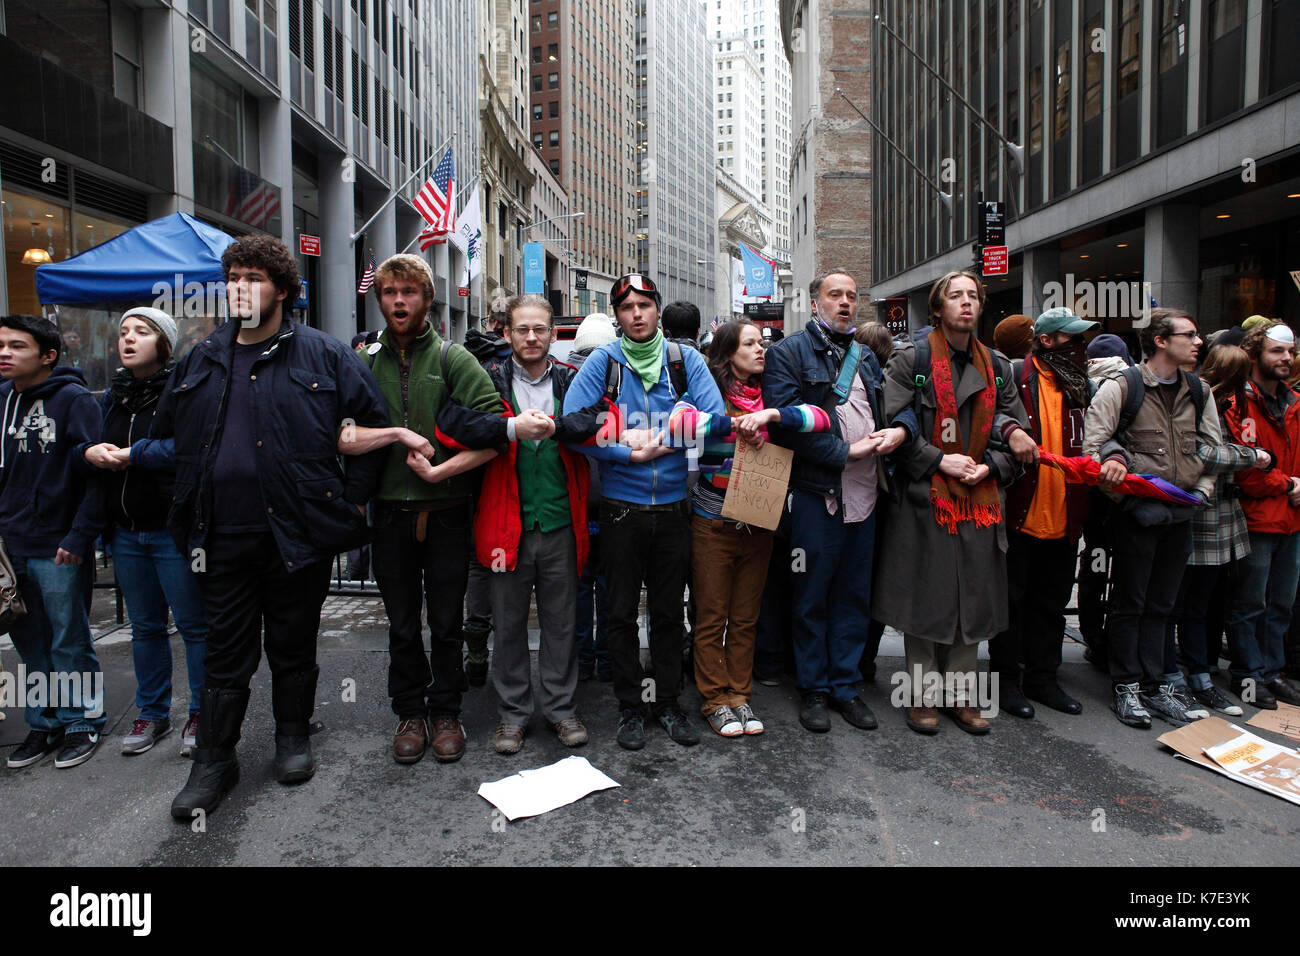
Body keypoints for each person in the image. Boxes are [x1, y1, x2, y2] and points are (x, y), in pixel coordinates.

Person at [157, 235, 390, 819]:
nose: (241, 287)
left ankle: (293, 737)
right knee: (224, 654)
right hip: (220, 538)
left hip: (298, 533)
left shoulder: (325, 355)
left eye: (254, 277)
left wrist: (349, 501)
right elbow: (167, 439)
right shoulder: (201, 358)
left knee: (292, 645)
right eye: (233, 276)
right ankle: (214, 759)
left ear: (283, 289)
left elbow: (372, 429)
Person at [344, 254, 501, 764]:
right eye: (389, 292)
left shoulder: (455, 359)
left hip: (449, 512)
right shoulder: (364, 362)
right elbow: (341, 435)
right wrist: (393, 433)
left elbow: (496, 432)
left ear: (426, 299)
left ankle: (446, 712)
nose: (398, 301)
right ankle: (409, 712)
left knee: (447, 621)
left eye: (408, 292)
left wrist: (441, 472)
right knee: (402, 622)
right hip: (389, 513)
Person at [435, 294, 607, 754]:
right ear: (506, 333)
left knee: (561, 622)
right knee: (508, 625)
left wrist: (560, 426)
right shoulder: (487, 377)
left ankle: (561, 709)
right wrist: (509, 427)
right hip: (503, 523)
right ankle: (512, 715)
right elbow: (450, 425)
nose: (532, 337)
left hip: (560, 523)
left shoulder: (574, 379)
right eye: (522, 330)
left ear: (554, 334)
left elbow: (603, 418)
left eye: (540, 329)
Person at [562, 273, 726, 750]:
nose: (636, 314)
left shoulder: (685, 359)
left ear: (658, 310)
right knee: (618, 613)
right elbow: (573, 424)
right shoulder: (603, 362)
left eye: (644, 305)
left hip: (675, 507)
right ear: (617, 316)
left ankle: (669, 704)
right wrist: (623, 450)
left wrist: (664, 436)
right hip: (620, 511)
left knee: (669, 614)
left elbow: (714, 423)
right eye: (627, 307)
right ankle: (631, 707)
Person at [874, 271, 1032, 736]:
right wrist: (939, 462)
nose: (966, 303)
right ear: (938, 308)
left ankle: (962, 696)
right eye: (955, 296)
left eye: (973, 296)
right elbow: (894, 425)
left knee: (973, 600)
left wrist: (995, 467)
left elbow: (1011, 423)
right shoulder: (912, 359)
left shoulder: (998, 365)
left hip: (980, 498)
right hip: (926, 496)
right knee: (927, 597)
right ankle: (921, 697)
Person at [763, 271, 910, 733]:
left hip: (866, 495)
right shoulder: (787, 353)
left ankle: (846, 686)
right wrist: (846, 452)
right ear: (814, 303)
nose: (845, 302)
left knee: (853, 596)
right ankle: (814, 690)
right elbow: (786, 427)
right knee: (811, 596)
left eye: (851, 296)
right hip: (814, 495)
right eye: (835, 295)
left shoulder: (866, 356)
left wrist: (898, 431)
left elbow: (895, 407)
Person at [676, 319, 833, 736]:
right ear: (728, 353)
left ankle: (740, 696)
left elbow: (820, 418)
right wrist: (735, 426)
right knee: (712, 616)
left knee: (747, 617)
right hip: (713, 521)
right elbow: (679, 425)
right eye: (750, 344)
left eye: (762, 342)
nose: (761, 349)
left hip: (760, 521)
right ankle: (714, 699)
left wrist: (769, 415)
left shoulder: (774, 393)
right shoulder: (708, 391)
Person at [1083, 307, 1222, 729]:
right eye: (1190, 335)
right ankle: (1126, 686)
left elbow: (1212, 449)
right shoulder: (1122, 387)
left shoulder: (1199, 390)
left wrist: (1200, 492)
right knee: (1130, 603)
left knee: (1164, 606)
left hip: (1180, 515)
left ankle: (1158, 686)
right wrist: (1124, 495)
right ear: (1160, 340)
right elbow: (1093, 447)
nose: (1199, 342)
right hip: (1137, 516)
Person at [80, 307, 208, 756]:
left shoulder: (182, 390)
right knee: (146, 628)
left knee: (194, 626)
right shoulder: (111, 396)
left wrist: (138, 454)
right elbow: (91, 444)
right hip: (126, 532)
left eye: (142, 332)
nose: (128, 339)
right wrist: (90, 450)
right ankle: (152, 713)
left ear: (164, 343)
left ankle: (201, 713)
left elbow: (192, 448)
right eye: (123, 332)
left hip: (172, 532)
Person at [0, 314, 106, 770]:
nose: (5, 353)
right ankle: (44, 722)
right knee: (27, 639)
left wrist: (80, 534)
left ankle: (81, 719)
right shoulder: (2, 398)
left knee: (68, 637)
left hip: (58, 542)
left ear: (48, 356)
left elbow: (94, 476)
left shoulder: (74, 400)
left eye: (17, 346)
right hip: (10, 544)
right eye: (2, 344)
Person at [992, 307, 1098, 719]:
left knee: (1051, 604)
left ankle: (1043, 678)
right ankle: (1006, 682)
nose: (1080, 348)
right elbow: (993, 422)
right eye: (1073, 340)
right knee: (1011, 603)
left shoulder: (1080, 386)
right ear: (1049, 341)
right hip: (1020, 512)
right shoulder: (1017, 378)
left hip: (1065, 514)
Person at [1171, 344, 1268, 716]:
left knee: (1202, 601)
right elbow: (1203, 452)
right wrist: (1251, 458)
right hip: (1201, 513)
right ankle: (1185, 677)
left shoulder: (1226, 402)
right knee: (1183, 602)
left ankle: (1200, 673)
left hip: (1222, 514)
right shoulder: (1199, 397)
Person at [1222, 321, 1300, 709]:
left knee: (1281, 603)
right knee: (1250, 602)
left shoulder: (1296, 401)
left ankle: (1272, 672)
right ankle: (1249, 676)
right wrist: (1289, 485)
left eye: (1289, 352)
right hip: (1255, 519)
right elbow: (1246, 470)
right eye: (1276, 352)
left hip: (1291, 519)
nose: (1286, 358)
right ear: (1255, 355)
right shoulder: (1239, 402)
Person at [1077, 333, 1136, 670]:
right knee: (1126, 569)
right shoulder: (1129, 384)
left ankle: (1092, 633)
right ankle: (1115, 636)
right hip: (1126, 490)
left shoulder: (1084, 383)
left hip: (1095, 494)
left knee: (1095, 562)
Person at [569, 313, 617, 682]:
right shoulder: (619, 383)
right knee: (608, 587)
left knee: (582, 588)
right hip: (614, 501)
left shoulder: (565, 386)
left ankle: (585, 660)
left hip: (579, 503)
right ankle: (604, 660)